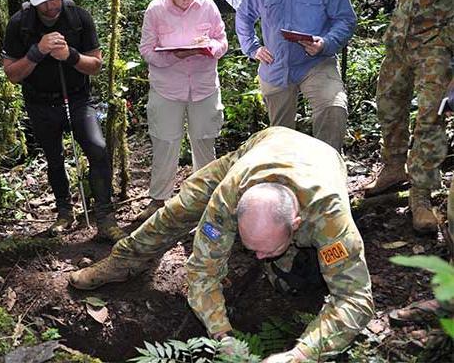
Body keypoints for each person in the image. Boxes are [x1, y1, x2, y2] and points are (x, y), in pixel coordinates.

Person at [69, 127, 374, 362]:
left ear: (296, 226)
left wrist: (302, 354)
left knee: (294, 282)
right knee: (180, 208)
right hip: (260, 148)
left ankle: (286, 262)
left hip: (320, 159)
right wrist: (222, 334)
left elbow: (355, 298)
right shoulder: (228, 198)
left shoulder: (330, 218)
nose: (256, 257)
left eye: (265, 250)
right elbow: (202, 271)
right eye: (249, 247)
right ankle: (124, 260)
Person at [1, 0, 124, 242]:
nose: (50, 6)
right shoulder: (19, 24)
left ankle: (105, 216)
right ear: (33, 0)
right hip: (39, 104)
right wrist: (37, 52)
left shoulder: (78, 17)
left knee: (97, 148)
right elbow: (12, 74)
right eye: (43, 1)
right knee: (54, 159)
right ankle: (64, 212)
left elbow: (96, 66)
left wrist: (70, 55)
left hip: (78, 99)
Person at [363, 0, 453, 233]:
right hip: (400, 41)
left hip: (438, 45)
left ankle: (421, 195)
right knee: (388, 104)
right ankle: (393, 167)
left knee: (431, 117)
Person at [235, 0, 356, 152]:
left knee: (333, 107)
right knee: (279, 136)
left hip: (317, 62)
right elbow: (244, 15)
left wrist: (325, 43)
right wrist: (252, 47)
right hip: (276, 65)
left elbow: (346, 20)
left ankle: (326, 174)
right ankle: (284, 181)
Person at [135, 0, 228, 222]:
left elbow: (222, 41)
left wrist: (210, 45)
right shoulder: (155, 10)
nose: (186, 0)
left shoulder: (208, 6)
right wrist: (173, 56)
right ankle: (158, 200)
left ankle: (207, 197)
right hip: (167, 88)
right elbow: (146, 49)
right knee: (165, 142)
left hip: (204, 86)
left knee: (204, 140)